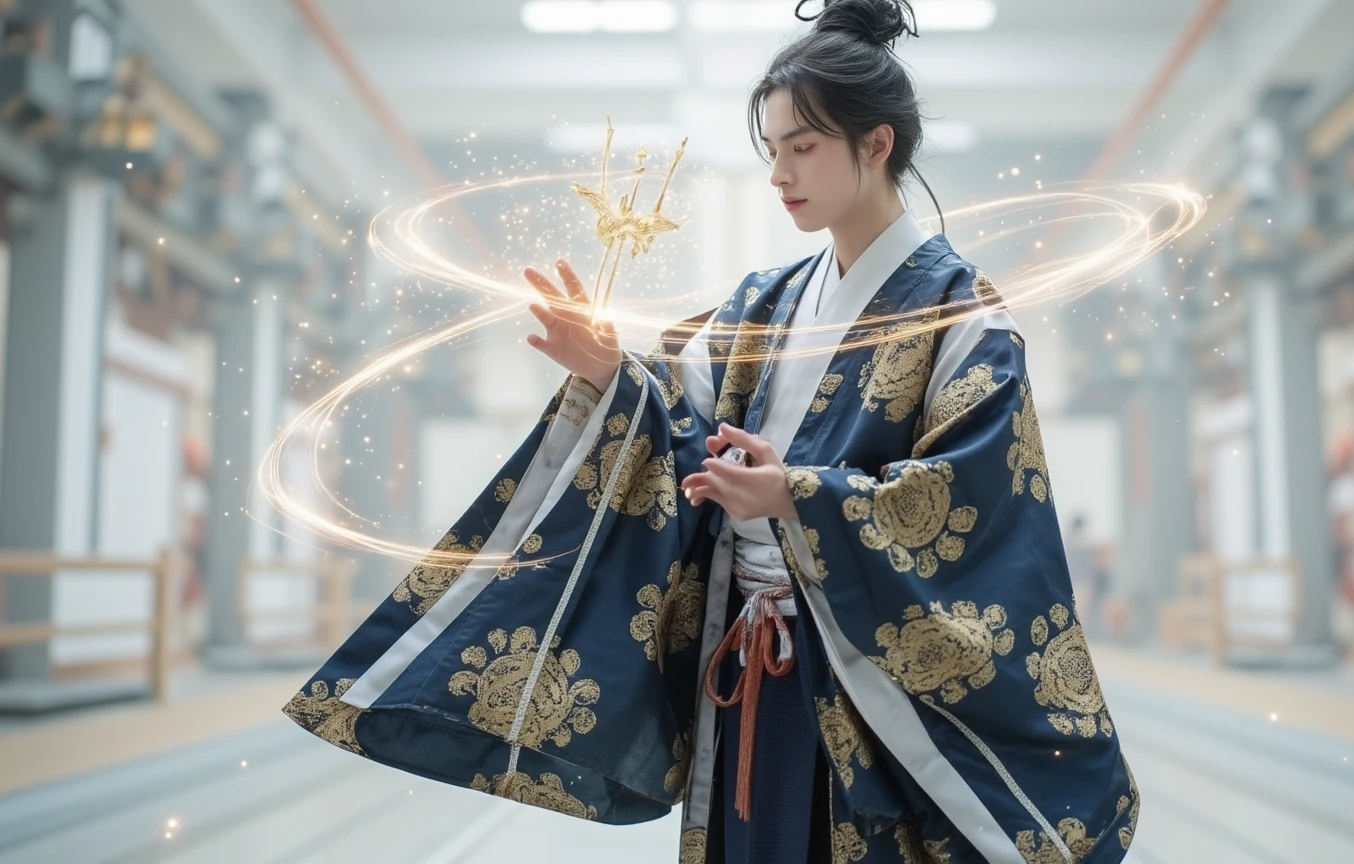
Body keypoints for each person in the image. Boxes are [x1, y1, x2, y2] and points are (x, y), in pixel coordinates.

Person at [281, 2, 1137, 861]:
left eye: (803, 147)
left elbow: (973, 503)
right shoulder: (762, 305)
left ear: (876, 144)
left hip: (864, 689)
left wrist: (797, 494)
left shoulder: (962, 318)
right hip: (748, 652)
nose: (779, 173)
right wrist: (611, 375)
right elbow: (679, 429)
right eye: (771, 150)